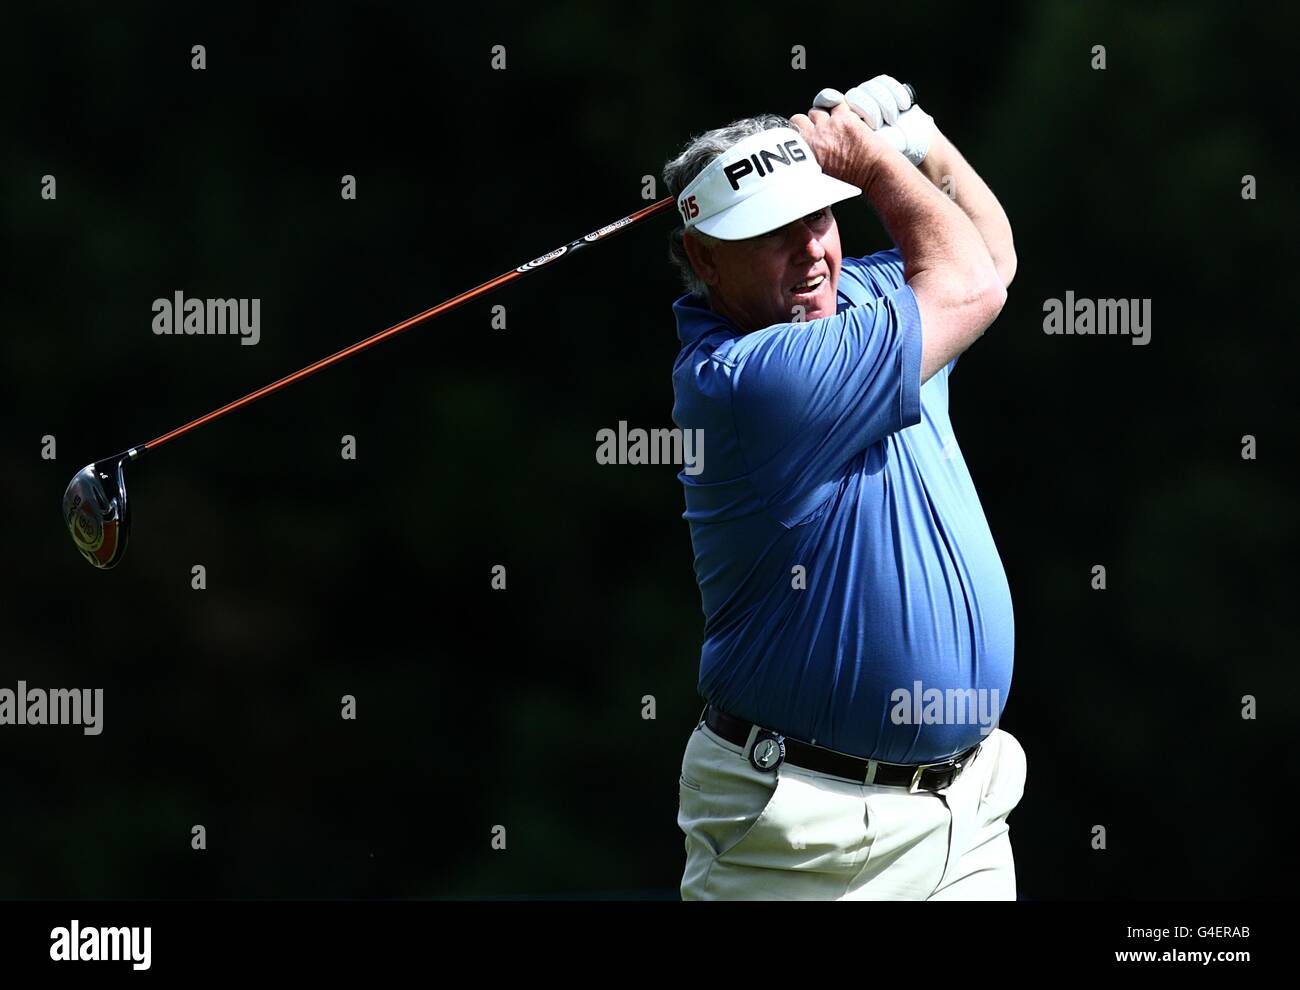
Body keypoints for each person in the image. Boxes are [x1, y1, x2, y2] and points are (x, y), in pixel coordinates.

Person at [664, 75, 1025, 900]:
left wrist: (922, 142)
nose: (812, 252)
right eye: (772, 233)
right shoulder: (751, 379)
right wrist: (870, 160)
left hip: (965, 817)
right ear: (705, 258)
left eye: (820, 217)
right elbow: (973, 285)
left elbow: (988, 254)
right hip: (807, 838)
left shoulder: (845, 298)